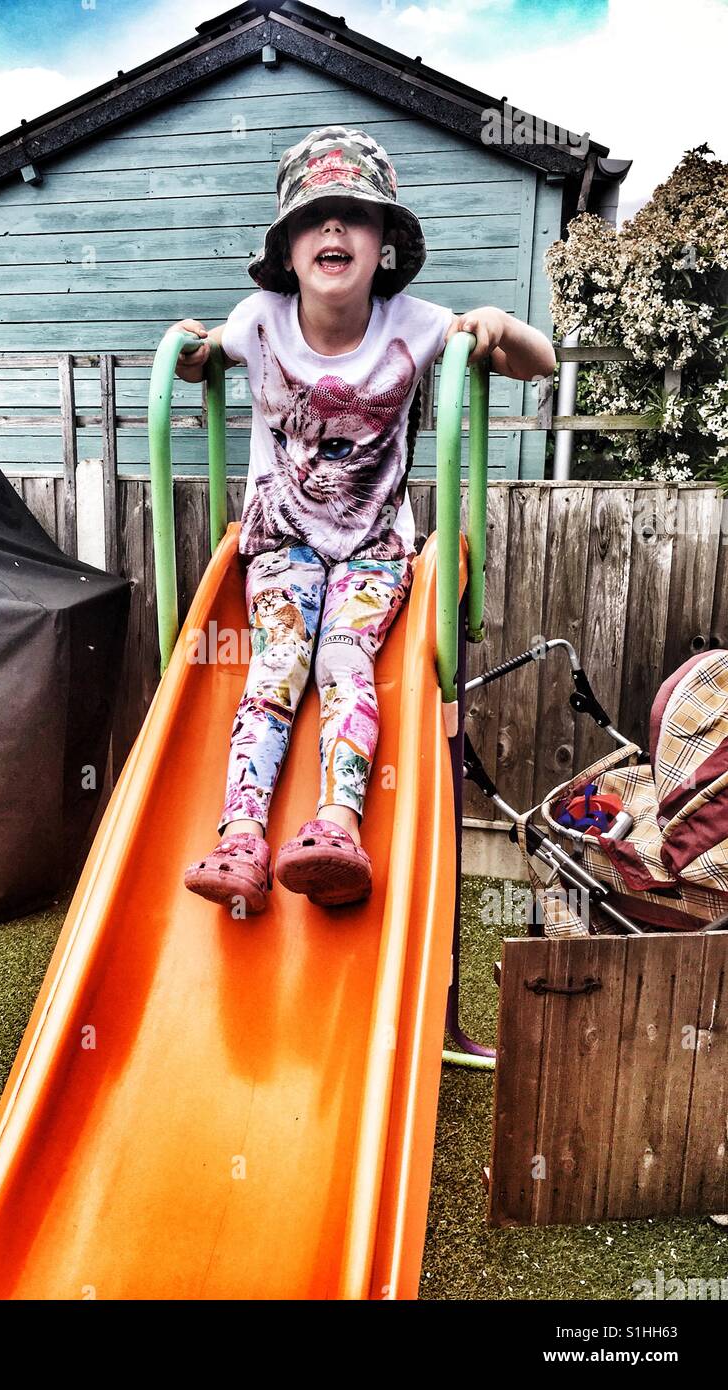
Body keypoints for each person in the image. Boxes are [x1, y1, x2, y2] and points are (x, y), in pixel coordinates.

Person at [177, 125, 555, 913]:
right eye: (315, 217)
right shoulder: (258, 320)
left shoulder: (413, 326)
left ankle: (335, 825)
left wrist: (496, 323)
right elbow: (204, 355)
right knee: (277, 662)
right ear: (287, 250)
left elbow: (538, 363)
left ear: (383, 243)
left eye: (356, 215)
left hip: (371, 553)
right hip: (280, 543)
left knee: (343, 664)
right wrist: (189, 352)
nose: (335, 230)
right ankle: (241, 835)